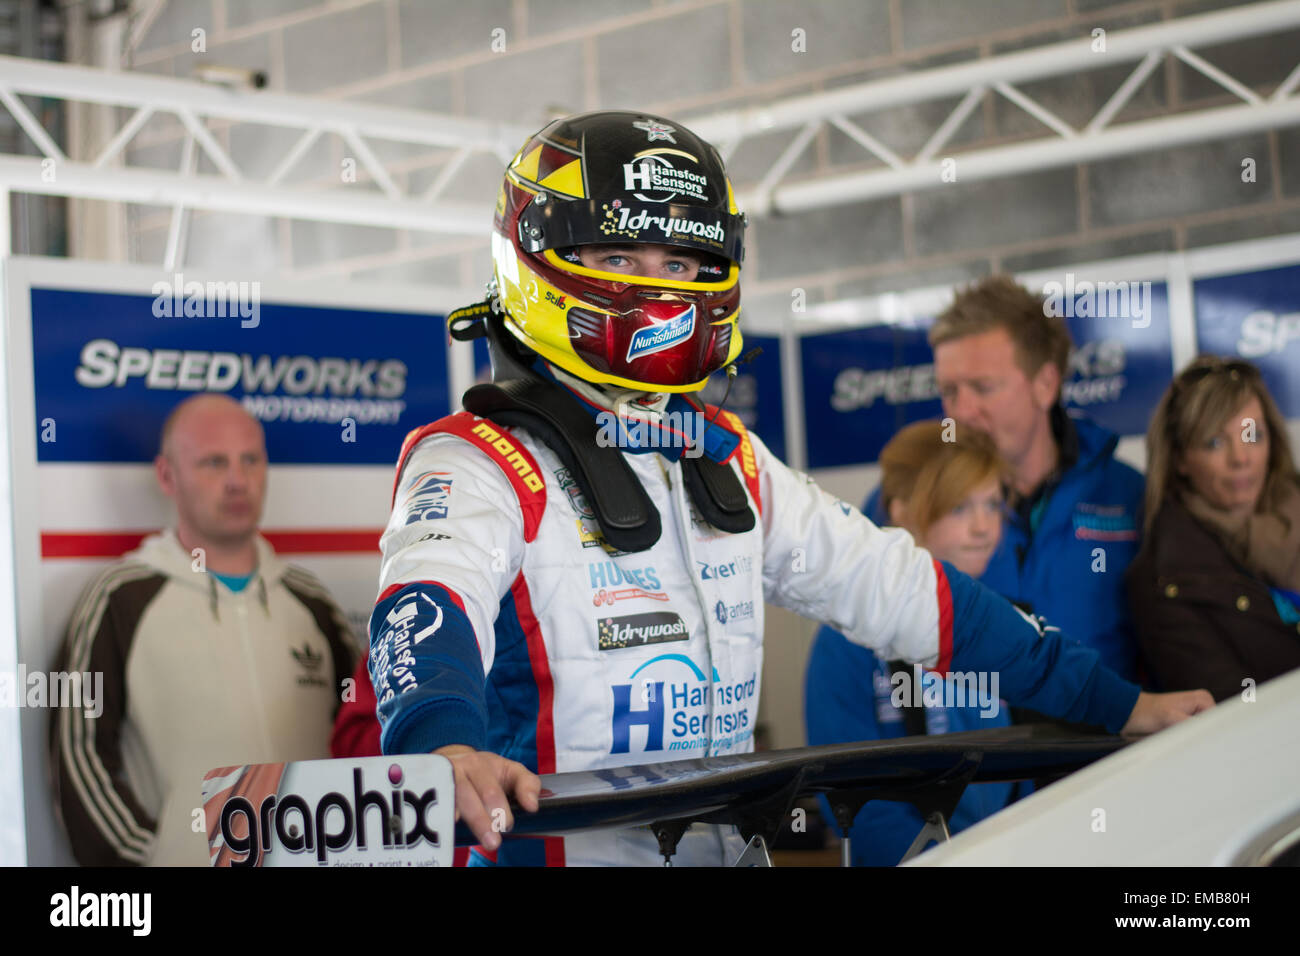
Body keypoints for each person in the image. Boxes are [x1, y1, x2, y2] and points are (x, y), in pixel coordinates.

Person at [370, 110, 1211, 867]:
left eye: (681, 258)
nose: (658, 284)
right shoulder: (475, 459)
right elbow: (423, 605)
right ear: (539, 258)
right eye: (619, 255)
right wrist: (442, 748)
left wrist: (1120, 707)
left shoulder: (726, 456)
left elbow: (912, 595)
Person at [50, 394, 357, 866]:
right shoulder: (120, 600)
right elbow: (79, 758)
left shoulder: (310, 601)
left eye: (250, 460)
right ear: (167, 476)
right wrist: (155, 860)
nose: (238, 481)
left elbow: (361, 738)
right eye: (214, 463)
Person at [866, 276, 1147, 683]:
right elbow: (856, 660)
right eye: (950, 391)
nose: (962, 412)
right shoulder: (904, 500)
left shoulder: (1128, 496)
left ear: (1045, 384)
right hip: (970, 745)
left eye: (983, 388)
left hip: (1120, 744)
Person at [806, 420, 1023, 865]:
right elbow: (852, 800)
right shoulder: (846, 638)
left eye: (993, 505)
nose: (984, 527)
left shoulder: (1006, 622)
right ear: (901, 510)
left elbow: (1027, 772)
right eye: (960, 508)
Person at [1127, 356, 1300, 702]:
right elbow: (1231, 715)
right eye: (1215, 443)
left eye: (1253, 435)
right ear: (1180, 459)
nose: (1241, 458)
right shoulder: (1162, 580)